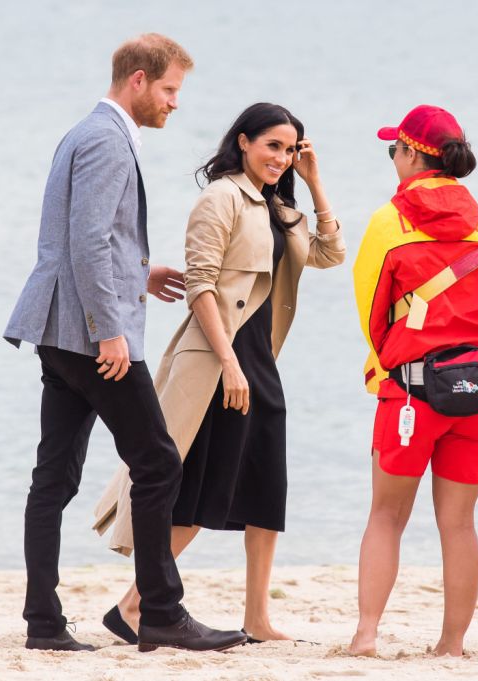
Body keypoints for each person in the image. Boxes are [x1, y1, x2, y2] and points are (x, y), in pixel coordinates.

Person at [3, 33, 247, 652]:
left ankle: (43, 622)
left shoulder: (83, 132)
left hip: (59, 331)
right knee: (159, 461)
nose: (174, 103)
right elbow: (85, 243)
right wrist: (109, 330)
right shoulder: (110, 141)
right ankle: (161, 614)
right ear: (138, 81)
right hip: (90, 338)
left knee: (53, 477)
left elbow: (85, 241)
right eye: (169, 90)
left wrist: (142, 272)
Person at [97, 103, 345, 644]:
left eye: (289, 148)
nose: (280, 157)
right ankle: (134, 604)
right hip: (218, 363)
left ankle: (257, 617)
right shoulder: (220, 198)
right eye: (271, 146)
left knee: (265, 490)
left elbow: (330, 254)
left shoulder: (280, 209)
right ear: (243, 143)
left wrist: (315, 181)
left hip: (262, 363)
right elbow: (200, 286)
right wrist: (229, 364)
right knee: (208, 491)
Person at [348, 105, 478, 657]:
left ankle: (367, 635)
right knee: (460, 524)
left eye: (392, 150)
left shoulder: (386, 224)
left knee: (386, 515)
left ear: (412, 154)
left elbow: (371, 316)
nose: (391, 160)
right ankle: (452, 644)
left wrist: (389, 364)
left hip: (410, 391)